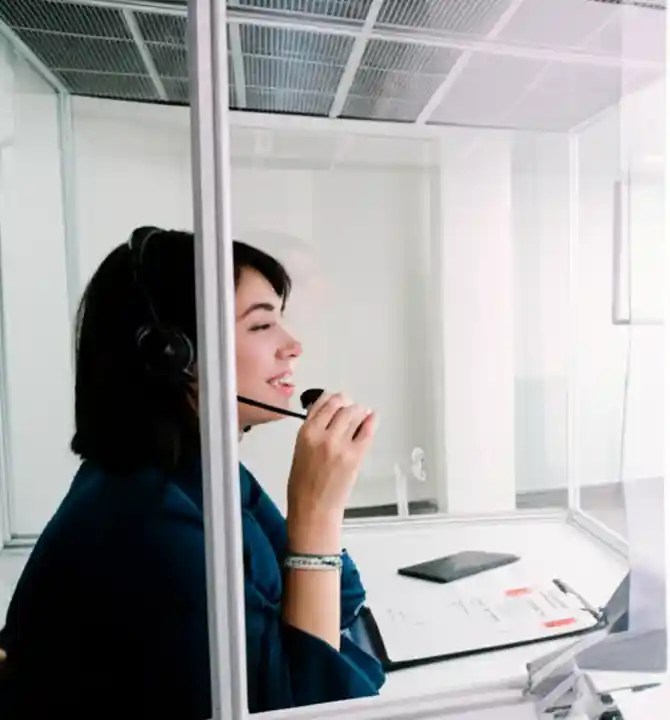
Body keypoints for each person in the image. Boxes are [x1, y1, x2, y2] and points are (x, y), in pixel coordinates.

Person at [0, 228, 384, 716]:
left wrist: (316, 519)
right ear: (173, 356)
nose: (293, 346)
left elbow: (342, 604)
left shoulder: (206, 474)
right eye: (262, 325)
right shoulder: (146, 518)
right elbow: (307, 708)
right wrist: (316, 511)